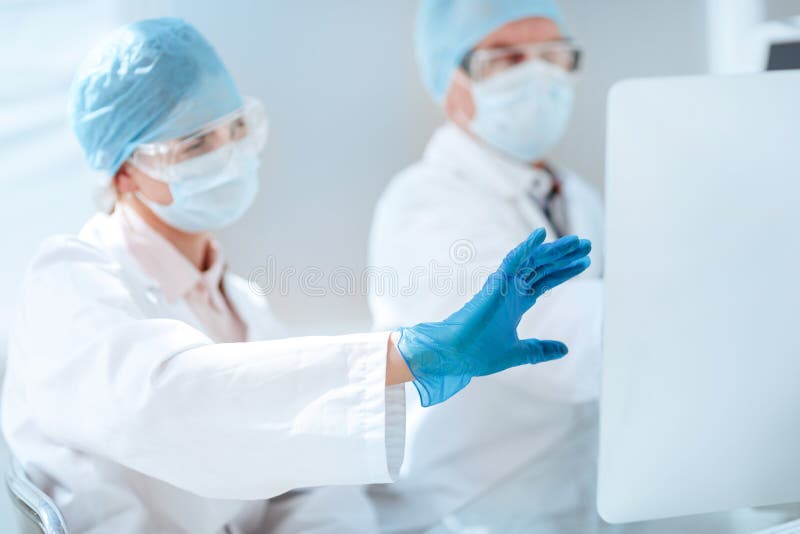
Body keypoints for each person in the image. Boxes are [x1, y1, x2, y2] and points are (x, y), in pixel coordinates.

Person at [1, 17, 592, 534]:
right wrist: (405, 357)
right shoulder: (70, 279)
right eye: (195, 143)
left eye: (235, 129)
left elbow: (311, 483)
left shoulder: (242, 305)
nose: (227, 152)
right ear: (124, 172)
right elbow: (170, 405)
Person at [367, 0, 604, 530]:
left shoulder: (580, 197)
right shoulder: (423, 205)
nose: (538, 74)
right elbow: (548, 335)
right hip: (469, 510)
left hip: (572, 499)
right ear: (452, 84)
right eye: (505, 58)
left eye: (553, 54)